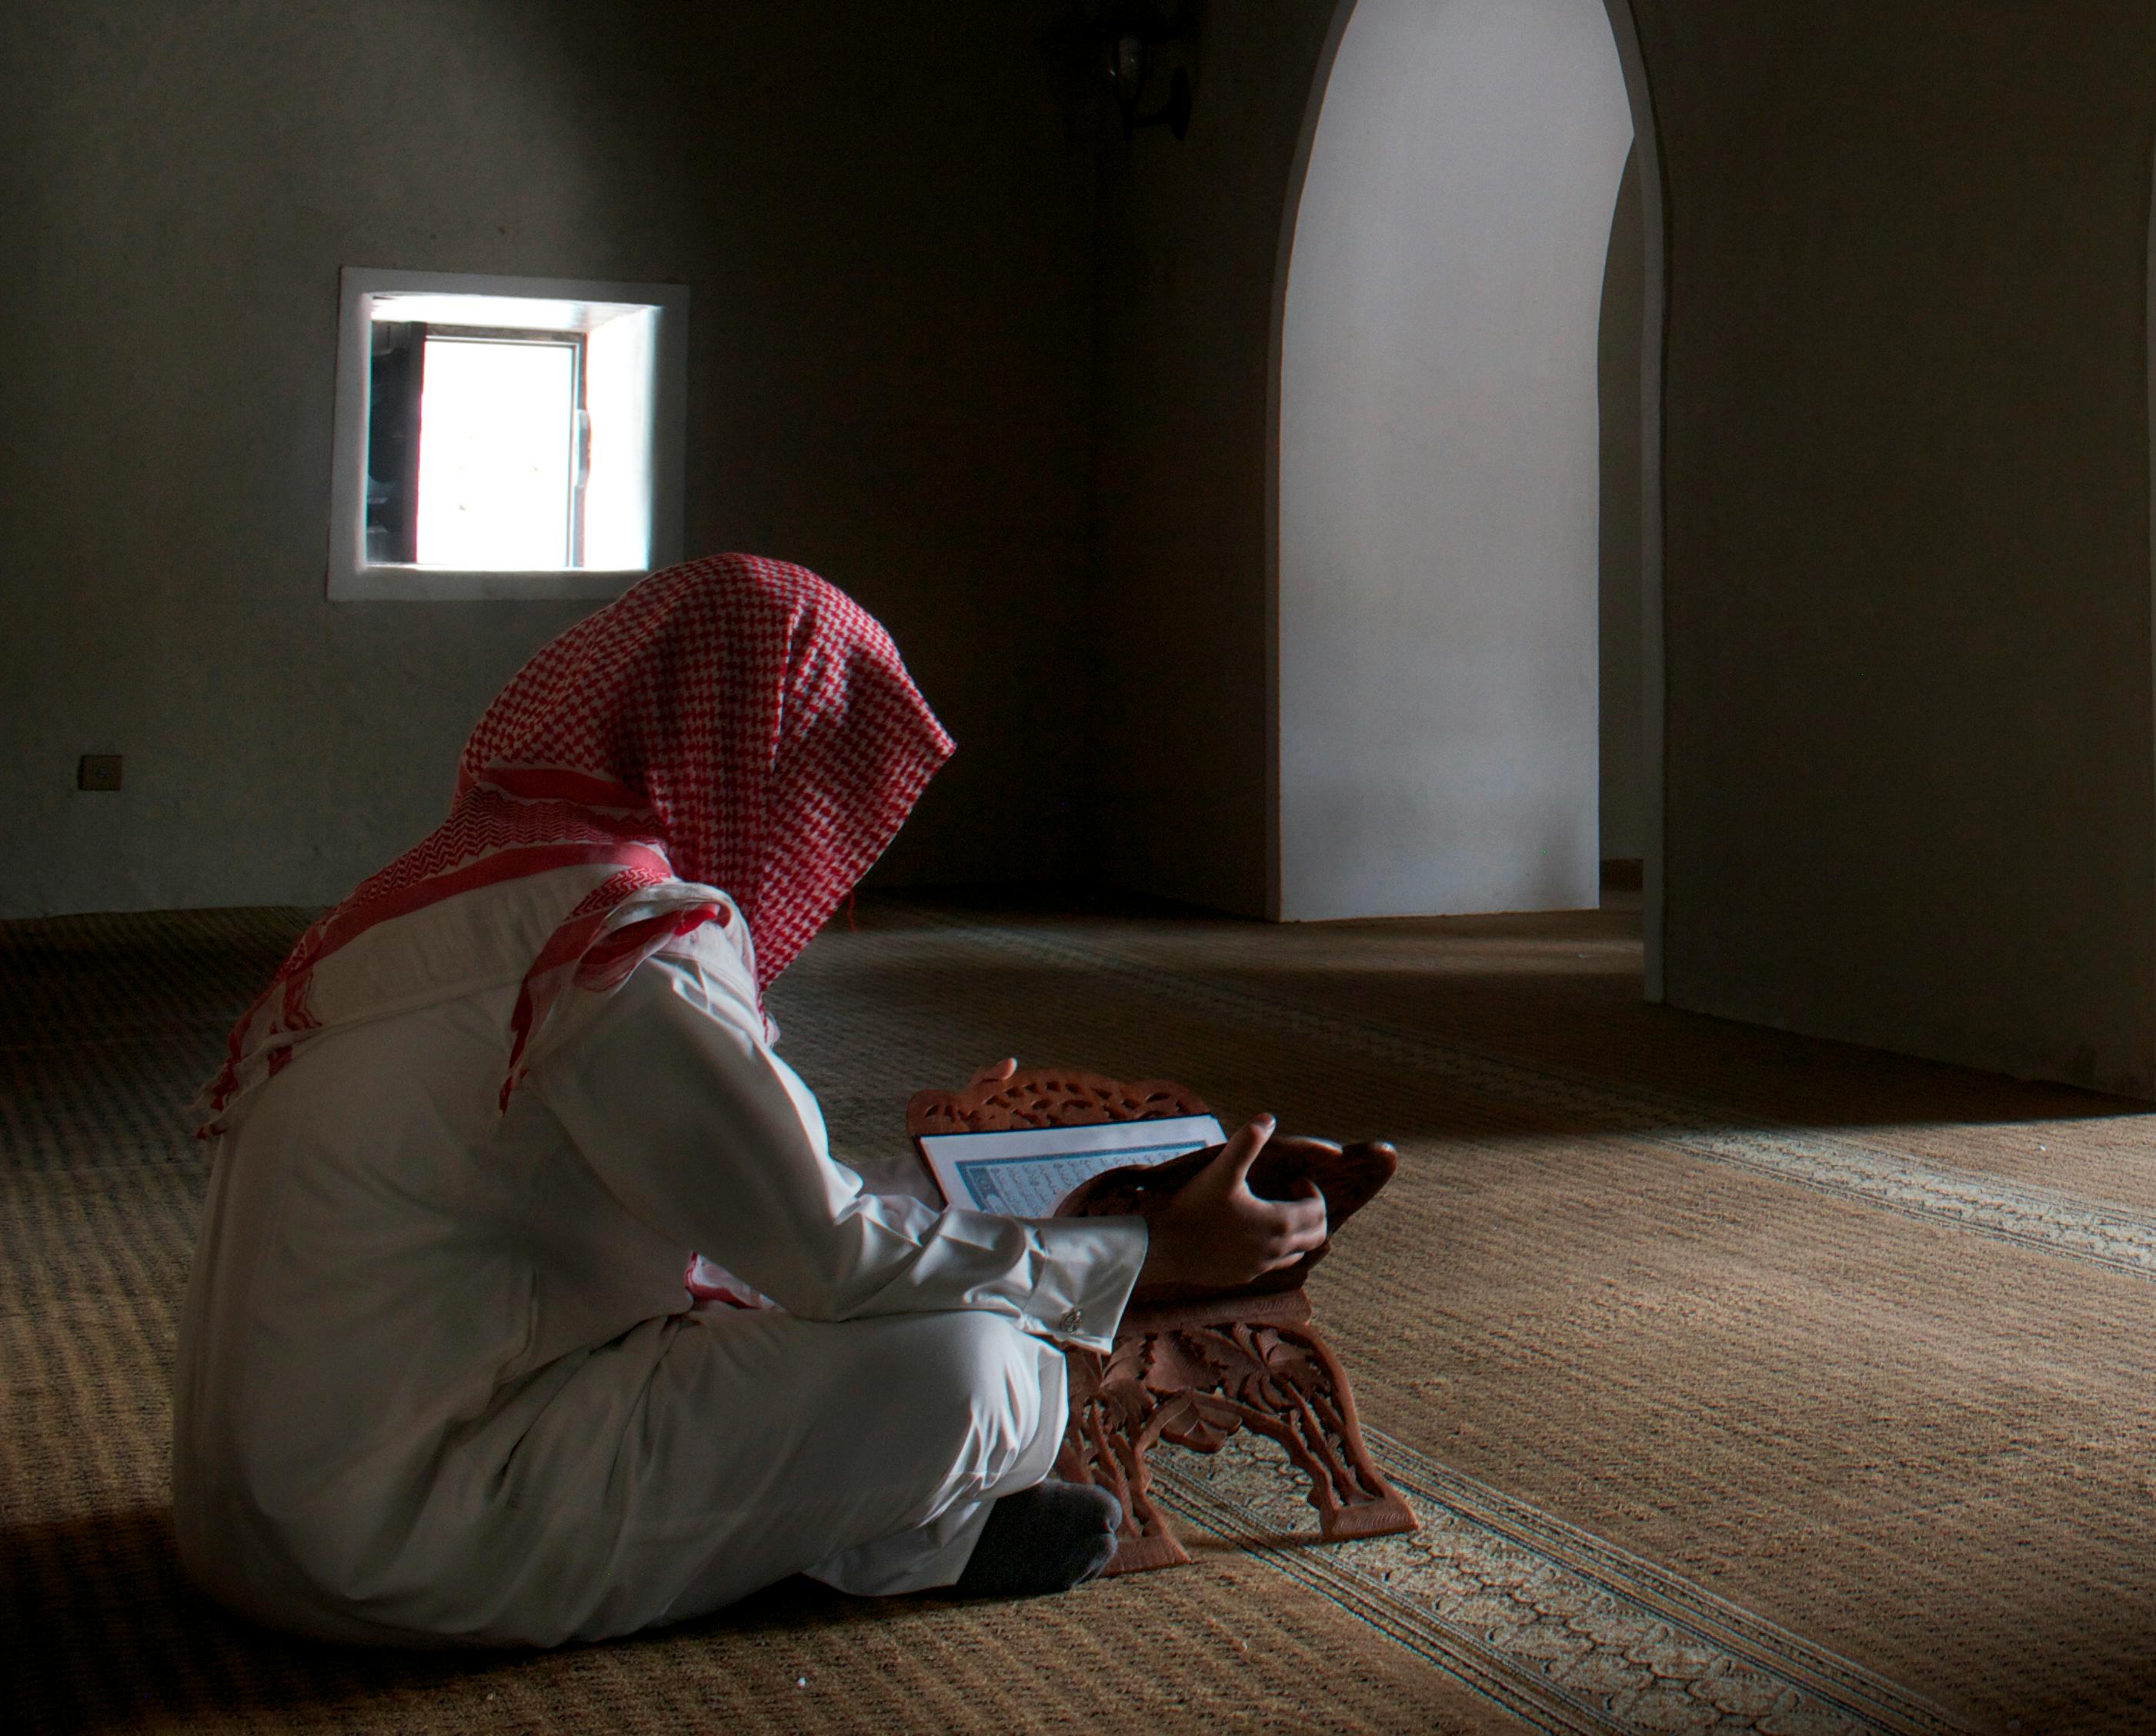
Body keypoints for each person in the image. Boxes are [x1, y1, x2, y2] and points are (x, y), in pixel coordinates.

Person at [172, 553, 1324, 1647]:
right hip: (411, 1536)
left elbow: (715, 1202)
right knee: (991, 1371)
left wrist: (920, 1180)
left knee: (882, 1307)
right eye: (823, 784)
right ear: (743, 753)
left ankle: (866, 1538)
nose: (832, 842)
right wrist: (1140, 1257)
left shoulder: (459, 896)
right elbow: (821, 1255)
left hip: (260, 1515)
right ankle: (850, 1549)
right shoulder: (626, 939)